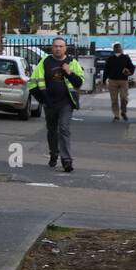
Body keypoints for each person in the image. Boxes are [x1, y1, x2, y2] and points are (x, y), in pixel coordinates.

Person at [28, 36, 85, 172]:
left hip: (66, 102)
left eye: (61, 46)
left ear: (65, 48)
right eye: (56, 46)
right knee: (52, 130)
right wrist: (43, 100)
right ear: (52, 48)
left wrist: (69, 72)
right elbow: (32, 83)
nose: (58, 48)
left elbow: (79, 83)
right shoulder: (45, 62)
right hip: (50, 103)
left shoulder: (72, 62)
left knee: (64, 129)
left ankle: (66, 160)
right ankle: (54, 153)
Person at [103, 42, 135, 121]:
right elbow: (106, 70)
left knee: (124, 98)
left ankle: (123, 112)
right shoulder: (110, 59)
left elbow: (132, 67)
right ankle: (116, 115)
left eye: (119, 48)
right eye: (116, 48)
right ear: (114, 49)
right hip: (112, 81)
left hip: (123, 80)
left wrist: (129, 71)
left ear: (121, 49)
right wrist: (104, 80)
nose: (118, 49)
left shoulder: (125, 58)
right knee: (114, 100)